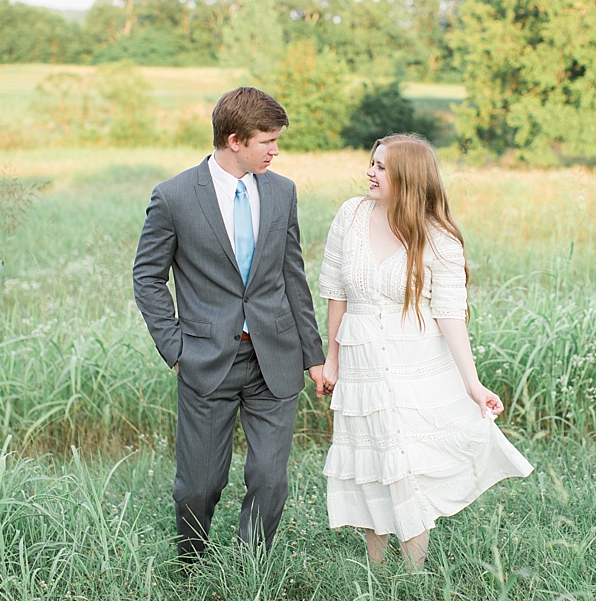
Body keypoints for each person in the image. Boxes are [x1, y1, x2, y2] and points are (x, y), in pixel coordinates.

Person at [318, 133, 533, 569]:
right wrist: (332, 360)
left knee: (409, 465)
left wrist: (473, 384)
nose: (370, 172)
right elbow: (336, 292)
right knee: (372, 462)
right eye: (372, 162)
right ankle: (377, 572)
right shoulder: (351, 215)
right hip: (360, 363)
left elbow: (450, 315)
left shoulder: (438, 238)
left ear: (408, 177)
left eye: (381, 167)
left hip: (415, 365)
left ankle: (414, 576)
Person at [133, 87, 327, 562]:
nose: (276, 151)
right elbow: (148, 277)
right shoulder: (174, 196)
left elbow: (292, 276)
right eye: (268, 141)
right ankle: (192, 565)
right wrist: (176, 349)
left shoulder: (282, 191)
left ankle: (248, 569)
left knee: (269, 477)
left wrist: (314, 356)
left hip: (275, 357)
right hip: (205, 359)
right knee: (199, 485)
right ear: (235, 140)